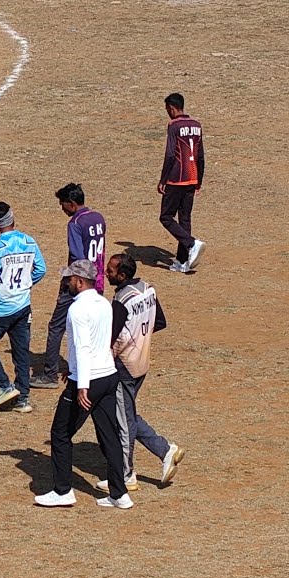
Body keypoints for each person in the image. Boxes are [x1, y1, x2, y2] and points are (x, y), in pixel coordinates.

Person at [34, 259, 131, 509]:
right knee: (110, 436)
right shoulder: (104, 304)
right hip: (108, 376)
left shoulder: (77, 310)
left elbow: (84, 347)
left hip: (89, 380)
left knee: (60, 433)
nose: (66, 282)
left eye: (69, 279)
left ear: (79, 282)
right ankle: (119, 494)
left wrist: (82, 384)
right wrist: (72, 368)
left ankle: (63, 490)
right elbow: (99, 342)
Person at [99, 253, 186, 492]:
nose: (107, 273)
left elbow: (111, 337)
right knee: (127, 415)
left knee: (124, 421)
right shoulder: (148, 289)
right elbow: (160, 322)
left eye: (111, 270)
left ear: (122, 275)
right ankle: (165, 449)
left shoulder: (120, 300)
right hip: (142, 362)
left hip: (124, 366)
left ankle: (126, 474)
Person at [0, 202, 46, 413]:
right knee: (21, 351)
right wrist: (26, 283)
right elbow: (41, 269)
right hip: (23, 305)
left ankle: (4, 386)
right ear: (13, 218)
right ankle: (23, 397)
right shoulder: (29, 241)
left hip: (1, 308)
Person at [32, 183, 106, 390]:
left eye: (63, 204)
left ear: (72, 203)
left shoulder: (75, 223)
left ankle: (49, 375)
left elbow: (77, 257)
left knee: (57, 326)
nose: (62, 208)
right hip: (98, 280)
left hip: (79, 283)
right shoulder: (98, 218)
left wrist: (68, 282)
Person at [159, 92, 207, 273]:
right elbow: (200, 156)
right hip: (192, 177)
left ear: (171, 108)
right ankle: (182, 261)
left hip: (176, 178)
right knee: (184, 218)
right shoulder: (196, 125)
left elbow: (171, 154)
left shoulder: (173, 125)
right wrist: (198, 181)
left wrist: (163, 180)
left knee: (165, 217)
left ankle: (192, 243)